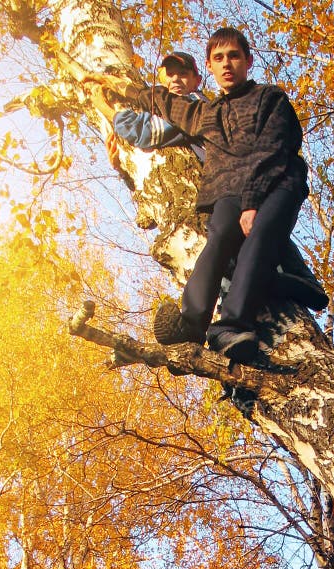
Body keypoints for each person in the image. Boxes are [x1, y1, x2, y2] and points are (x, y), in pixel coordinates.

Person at [89, 27, 313, 363]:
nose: (227, 64)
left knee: (258, 234)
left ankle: (232, 325)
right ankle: (192, 322)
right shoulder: (207, 114)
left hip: (274, 183)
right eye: (219, 58)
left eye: (234, 56)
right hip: (229, 190)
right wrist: (120, 88)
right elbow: (164, 103)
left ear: (248, 61)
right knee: (220, 236)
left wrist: (252, 203)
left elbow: (273, 148)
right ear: (210, 65)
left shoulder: (268, 98)